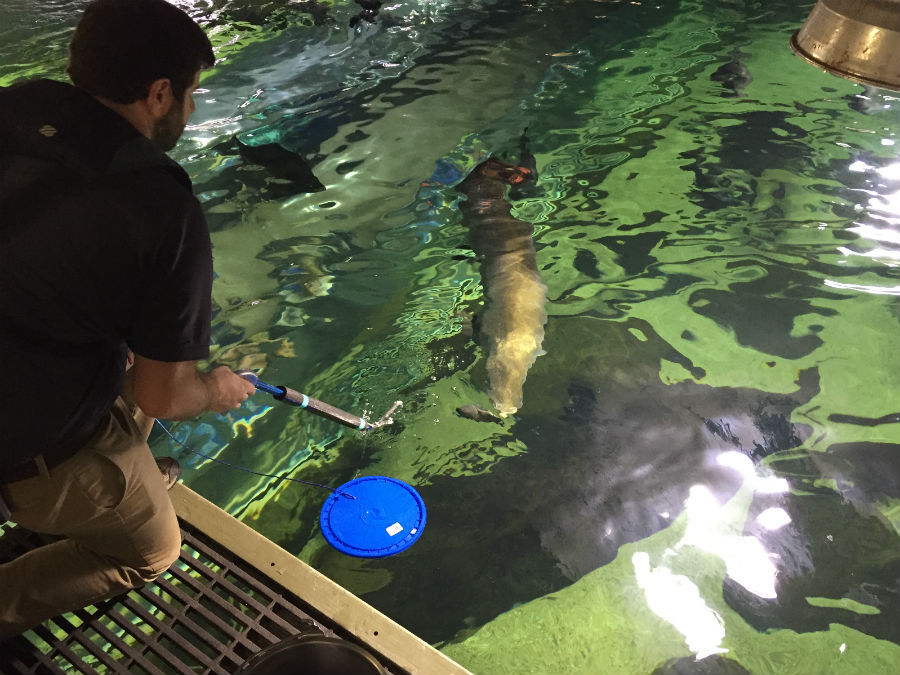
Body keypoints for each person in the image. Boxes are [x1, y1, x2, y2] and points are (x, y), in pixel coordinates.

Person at [0, 0, 256, 638]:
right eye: (191, 94)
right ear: (160, 93)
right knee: (152, 552)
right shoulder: (161, 209)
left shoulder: (18, 105)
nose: (192, 110)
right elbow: (164, 396)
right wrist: (217, 388)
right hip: (28, 446)